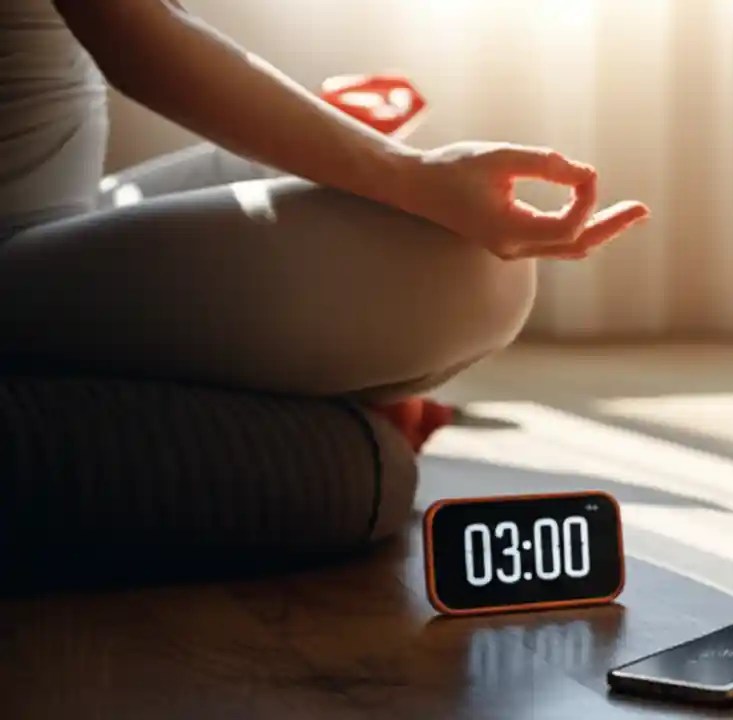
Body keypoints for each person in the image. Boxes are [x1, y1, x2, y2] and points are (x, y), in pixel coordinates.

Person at [0, 0, 649, 437]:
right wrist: (403, 172)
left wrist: (339, 140)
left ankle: (357, 402)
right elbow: (136, 43)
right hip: (16, 246)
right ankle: (359, 408)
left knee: (422, 216)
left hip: (72, 209)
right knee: (467, 272)